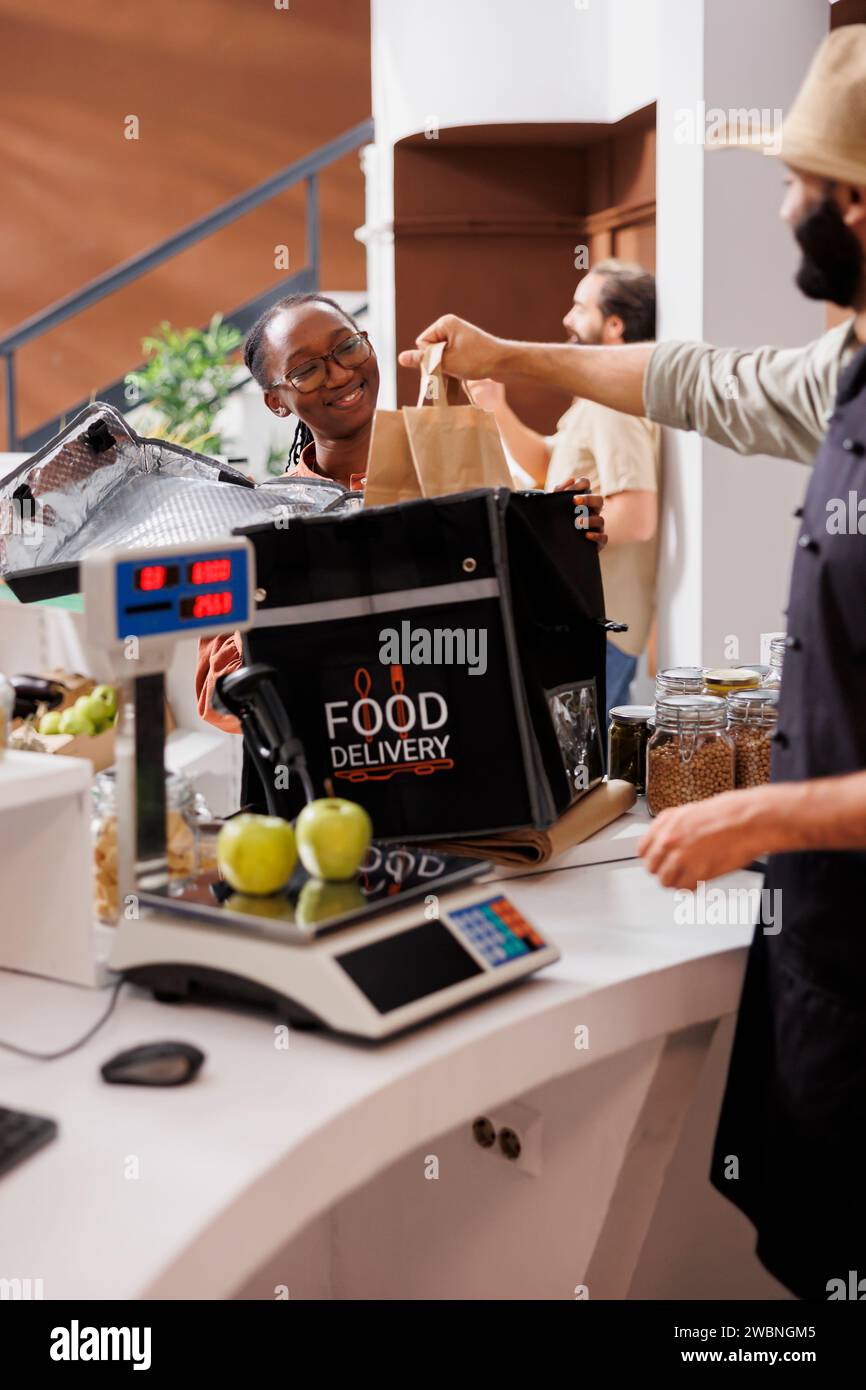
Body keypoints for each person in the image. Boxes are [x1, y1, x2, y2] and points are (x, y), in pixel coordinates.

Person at [399, 26, 866, 1301]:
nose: (779, 205)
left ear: (858, 203)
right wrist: (509, 360)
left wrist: (768, 807)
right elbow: (689, 380)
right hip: (829, 941)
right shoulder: (848, 368)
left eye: (798, 182)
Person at [196, 291, 607, 734]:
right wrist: (276, 597)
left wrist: (557, 540)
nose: (338, 374)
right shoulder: (264, 523)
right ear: (276, 401)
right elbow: (219, 699)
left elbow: (514, 621)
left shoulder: (453, 472)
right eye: (306, 370)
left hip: (472, 745)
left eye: (348, 347)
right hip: (349, 767)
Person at [469, 260, 659, 721]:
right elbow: (547, 462)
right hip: (590, 619)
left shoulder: (614, 403)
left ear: (614, 325)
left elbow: (636, 514)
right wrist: (497, 409)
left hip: (599, 624)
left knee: (577, 767)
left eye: (580, 308)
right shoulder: (598, 399)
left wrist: (544, 530)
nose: (567, 320)